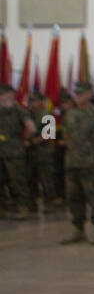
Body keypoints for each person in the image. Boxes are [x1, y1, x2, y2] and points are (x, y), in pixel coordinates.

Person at [60, 82, 94, 245]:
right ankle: (78, 229)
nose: (78, 96)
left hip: (91, 162)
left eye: (81, 93)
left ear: (89, 94)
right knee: (74, 197)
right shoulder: (70, 114)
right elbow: (66, 134)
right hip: (72, 162)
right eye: (76, 94)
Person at [0, 84, 35, 220]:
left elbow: (31, 128)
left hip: (14, 152)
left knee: (18, 180)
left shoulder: (19, 110)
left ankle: (23, 207)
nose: (4, 98)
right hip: (3, 150)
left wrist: (23, 140)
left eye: (6, 95)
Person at [25, 91, 60, 214]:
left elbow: (48, 134)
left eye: (35, 101)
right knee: (31, 178)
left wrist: (33, 142)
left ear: (41, 101)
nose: (32, 104)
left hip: (44, 151)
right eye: (31, 101)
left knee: (46, 178)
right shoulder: (29, 115)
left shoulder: (46, 115)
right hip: (31, 152)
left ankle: (49, 202)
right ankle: (32, 203)